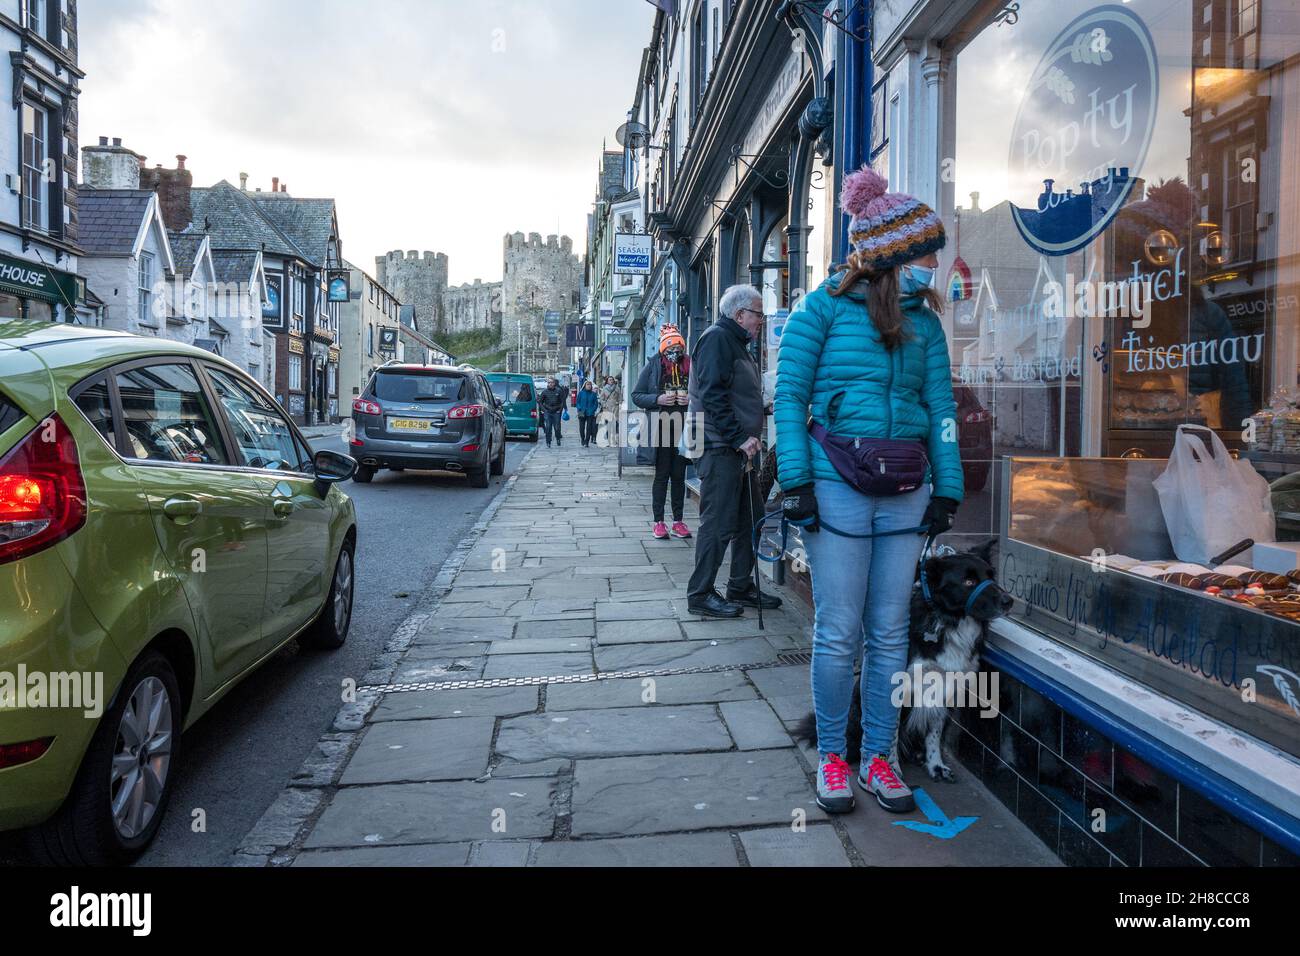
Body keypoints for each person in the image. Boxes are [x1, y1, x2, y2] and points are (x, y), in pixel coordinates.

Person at [775, 167, 963, 816]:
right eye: (923, 254)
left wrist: (949, 487)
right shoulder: (821, 309)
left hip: (907, 490)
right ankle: (833, 755)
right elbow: (789, 398)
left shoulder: (927, 327)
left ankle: (877, 756)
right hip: (837, 485)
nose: (931, 266)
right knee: (838, 631)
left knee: (888, 634)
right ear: (891, 257)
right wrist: (796, 482)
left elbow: (940, 408)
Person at [684, 286, 783, 618]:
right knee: (718, 521)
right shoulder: (717, 339)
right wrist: (739, 436)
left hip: (736, 448)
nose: (761, 322)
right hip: (718, 445)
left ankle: (739, 586)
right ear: (740, 315)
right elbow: (712, 396)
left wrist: (760, 409)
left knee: (751, 516)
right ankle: (700, 593)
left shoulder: (737, 344)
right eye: (758, 314)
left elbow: (734, 394)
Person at [632, 323, 693, 539]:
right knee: (661, 475)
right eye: (670, 348)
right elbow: (637, 395)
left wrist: (691, 399)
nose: (674, 352)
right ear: (662, 349)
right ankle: (658, 522)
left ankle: (678, 521)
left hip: (684, 429)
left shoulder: (691, 365)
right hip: (660, 428)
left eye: (678, 347)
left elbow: (705, 392)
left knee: (679, 476)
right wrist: (658, 399)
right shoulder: (653, 366)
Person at [537, 375, 568, 447]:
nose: (550, 384)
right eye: (549, 382)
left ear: (554, 383)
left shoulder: (558, 391)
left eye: (552, 382)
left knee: (557, 427)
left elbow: (562, 401)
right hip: (548, 412)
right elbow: (540, 402)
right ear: (547, 384)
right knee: (548, 427)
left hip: (556, 412)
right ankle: (548, 441)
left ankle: (558, 438)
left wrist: (560, 410)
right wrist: (544, 410)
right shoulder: (544, 392)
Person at [575, 379, 600, 447]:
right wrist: (579, 408)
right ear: (585, 385)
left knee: (589, 428)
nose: (589, 386)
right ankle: (582, 438)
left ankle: (587, 441)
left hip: (590, 413)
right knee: (581, 428)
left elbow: (595, 403)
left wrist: (593, 410)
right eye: (587, 385)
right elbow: (577, 402)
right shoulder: (581, 393)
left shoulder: (593, 394)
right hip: (581, 412)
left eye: (590, 385)